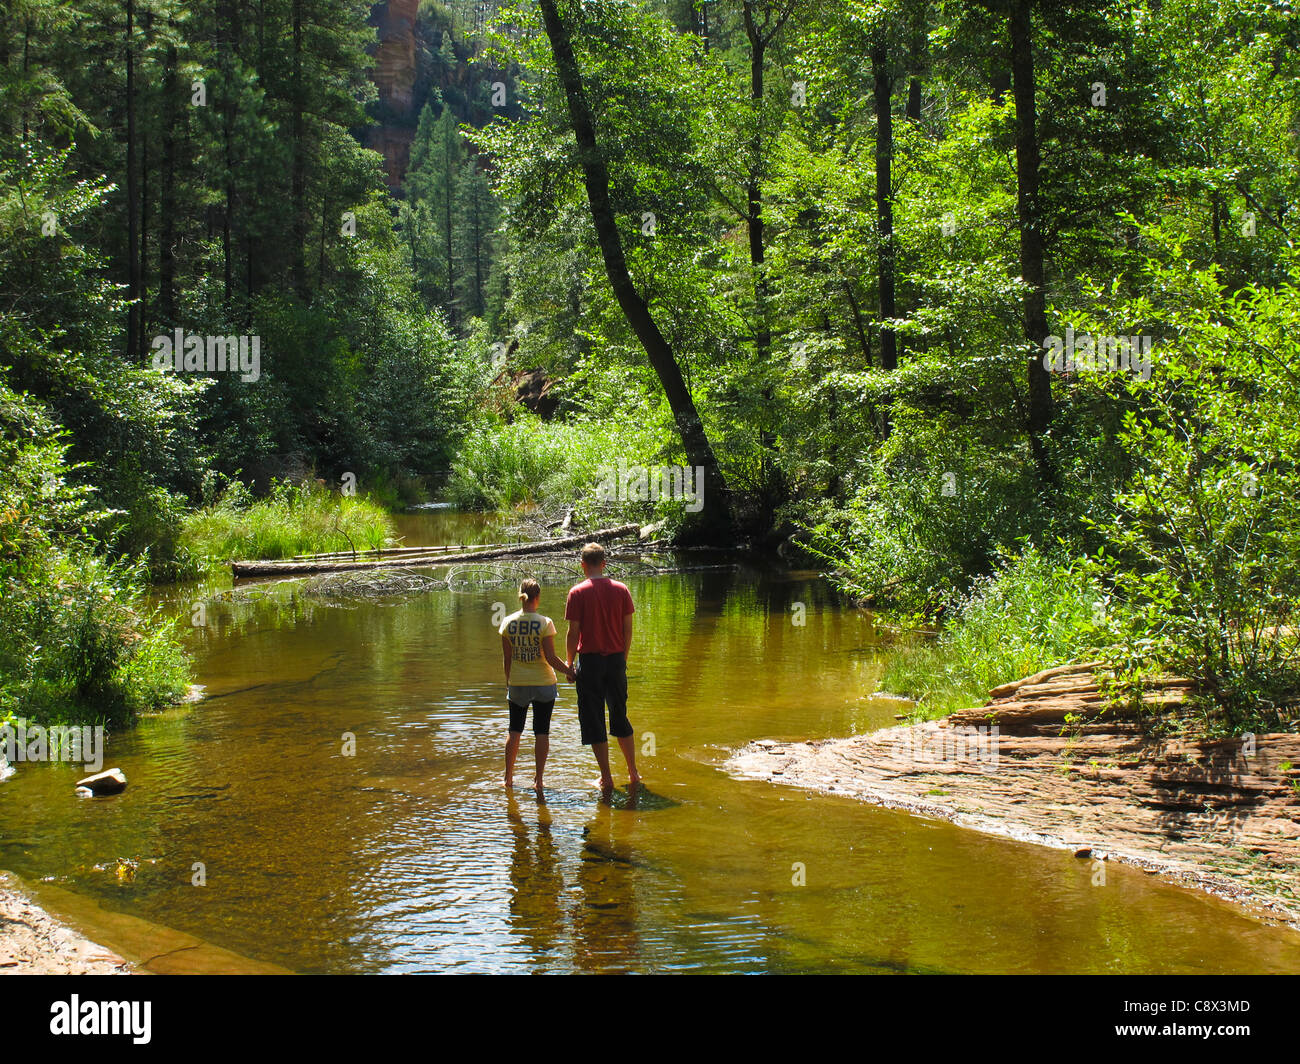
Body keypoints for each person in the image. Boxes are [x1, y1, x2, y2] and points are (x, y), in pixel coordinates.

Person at [564, 543, 639, 791]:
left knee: (594, 719)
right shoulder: (621, 589)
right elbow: (627, 629)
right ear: (604, 563)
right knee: (620, 715)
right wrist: (623, 658)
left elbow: (573, 633)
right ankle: (633, 773)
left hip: (590, 662)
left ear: (583, 565)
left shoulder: (577, 592)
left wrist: (568, 663)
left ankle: (606, 778)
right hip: (616, 660)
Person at [500, 579, 574, 791]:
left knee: (514, 730)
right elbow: (550, 658)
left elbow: (507, 658)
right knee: (542, 732)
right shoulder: (544, 622)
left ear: (520, 595)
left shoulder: (507, 622)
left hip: (518, 683)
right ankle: (539, 780)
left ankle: (508, 778)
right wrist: (570, 671)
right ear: (538, 598)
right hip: (543, 683)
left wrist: (509, 682)